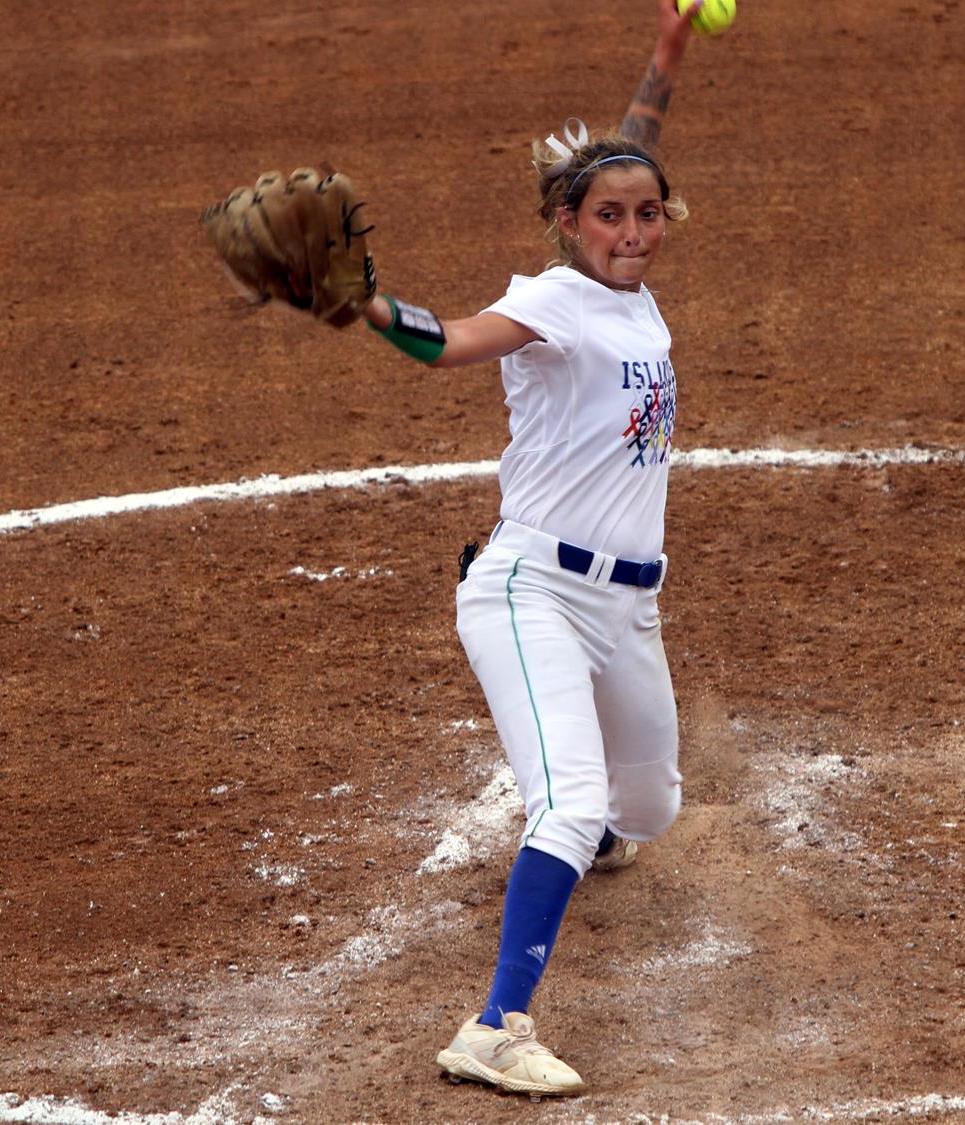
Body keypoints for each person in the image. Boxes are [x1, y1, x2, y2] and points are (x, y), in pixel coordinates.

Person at [362, 0, 704, 1099]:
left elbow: (626, 151)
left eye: (647, 216)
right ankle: (496, 1023)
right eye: (610, 217)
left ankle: (592, 835)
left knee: (642, 811)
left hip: (626, 611)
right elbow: (451, 343)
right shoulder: (552, 300)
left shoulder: (629, 280)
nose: (633, 231)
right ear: (568, 222)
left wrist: (664, 56)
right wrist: (366, 306)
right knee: (565, 798)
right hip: (530, 591)